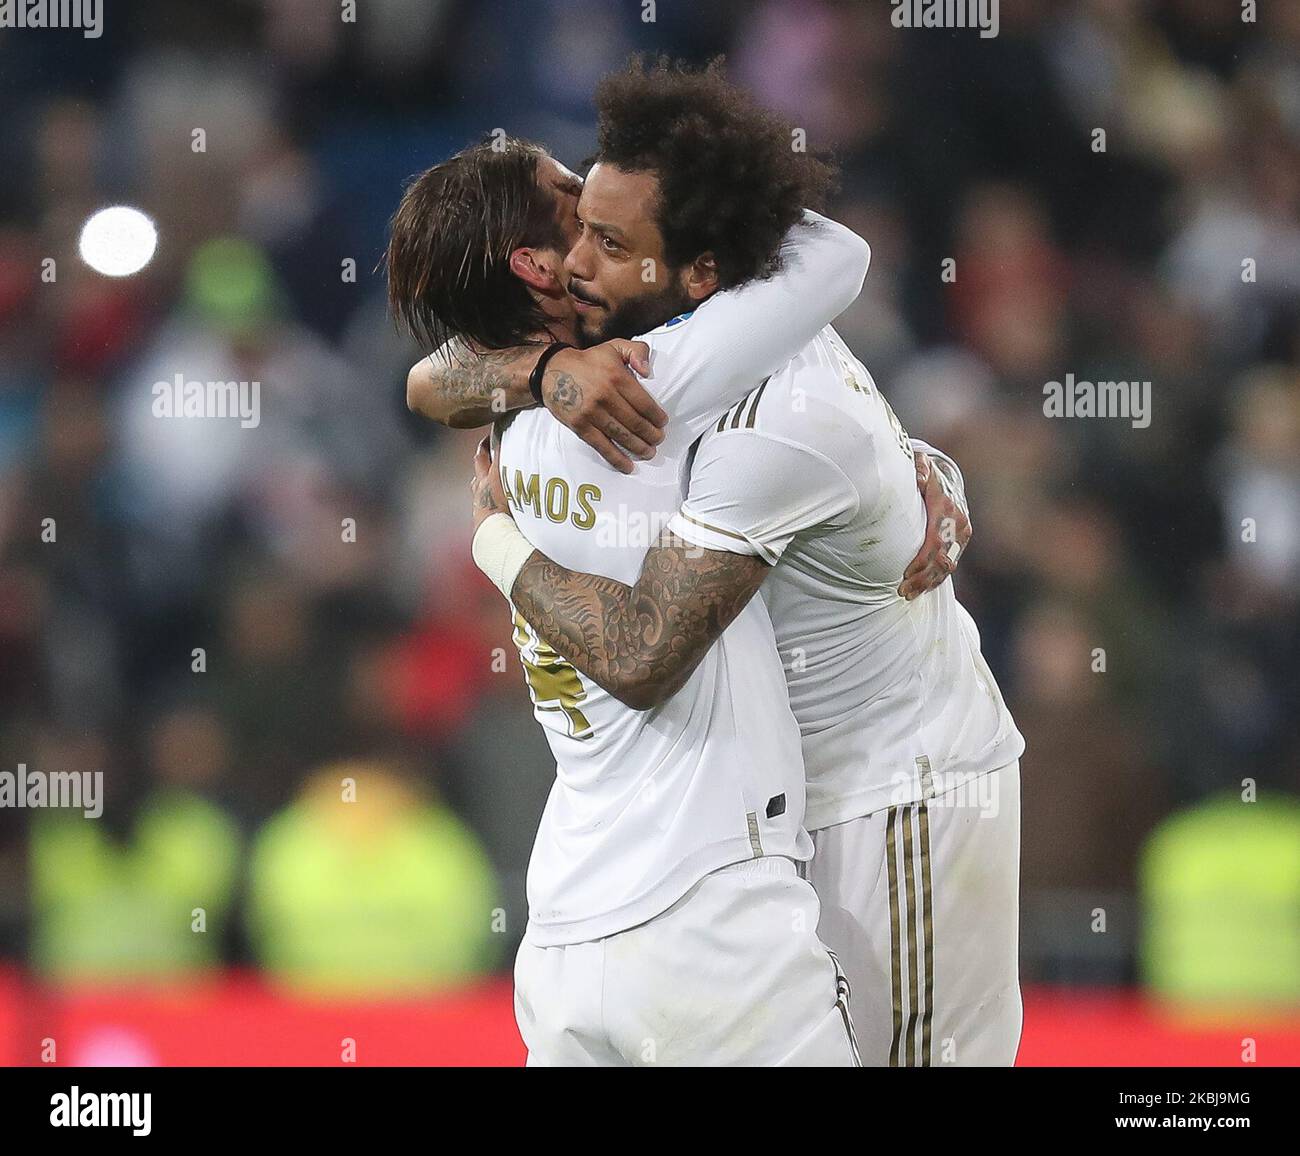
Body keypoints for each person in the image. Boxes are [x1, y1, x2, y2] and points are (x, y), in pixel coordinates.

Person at [449, 59, 1025, 1065]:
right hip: (770, 812)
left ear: (701, 276)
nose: (577, 262)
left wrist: (493, 538)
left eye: (612, 243)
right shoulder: (688, 342)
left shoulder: (766, 419)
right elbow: (444, 367)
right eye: (580, 225)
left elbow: (643, 651)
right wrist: (921, 463)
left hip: (891, 795)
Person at [388, 65, 876, 1066]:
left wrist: (535, 373)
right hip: (710, 917)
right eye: (574, 197)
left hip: (566, 931)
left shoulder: (506, 437)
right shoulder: (662, 383)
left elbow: (429, 378)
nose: (597, 197)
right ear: (536, 265)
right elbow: (834, 251)